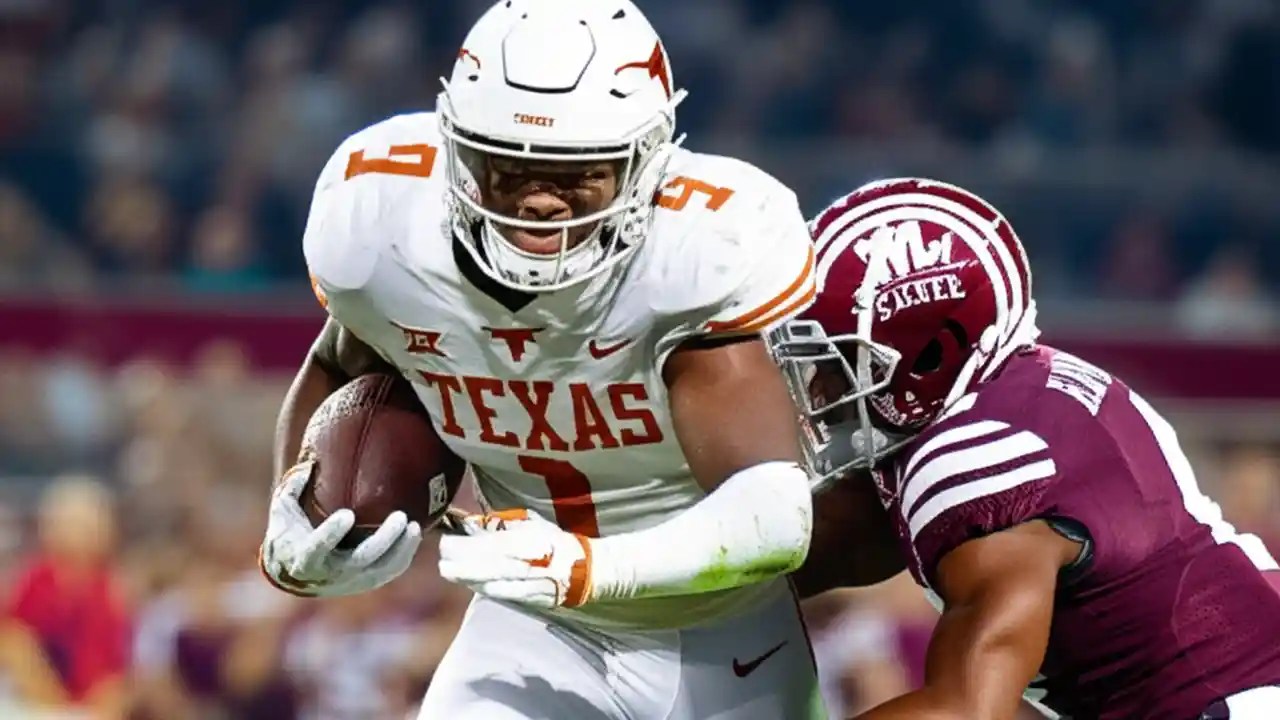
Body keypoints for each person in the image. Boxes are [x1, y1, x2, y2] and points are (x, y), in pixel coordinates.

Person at [257, 1, 826, 718]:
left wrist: (587, 568)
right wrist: (292, 510)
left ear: (648, 159)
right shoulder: (384, 234)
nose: (542, 204)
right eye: (508, 169)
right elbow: (342, 364)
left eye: (579, 171)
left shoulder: (697, 252)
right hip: (533, 624)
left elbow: (774, 516)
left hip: (720, 631)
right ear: (457, 149)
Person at [776, 178, 1280, 720]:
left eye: (837, 363)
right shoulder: (1002, 398)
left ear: (929, 355)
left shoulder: (981, 457)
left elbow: (966, 710)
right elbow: (839, 545)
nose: (821, 392)